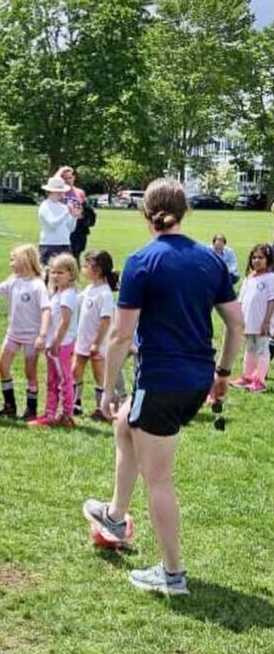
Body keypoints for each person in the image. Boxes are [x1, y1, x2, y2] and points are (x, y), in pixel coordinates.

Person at [82, 179, 242, 596]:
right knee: (125, 426)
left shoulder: (141, 261)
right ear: (185, 211)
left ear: (145, 213)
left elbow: (119, 336)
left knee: (159, 479)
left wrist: (105, 389)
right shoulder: (212, 260)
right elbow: (236, 324)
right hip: (196, 378)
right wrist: (223, 375)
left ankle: (172, 575)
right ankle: (115, 516)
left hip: (163, 381)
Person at [0, 244, 50, 420]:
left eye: (14, 258)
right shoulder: (13, 281)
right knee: (2, 366)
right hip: (13, 333)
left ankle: (31, 409)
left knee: (30, 372)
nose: (11, 262)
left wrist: (42, 335)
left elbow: (46, 309)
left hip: (31, 336)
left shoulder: (37, 285)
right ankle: (9, 406)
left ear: (25, 260)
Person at [29, 253, 79, 428]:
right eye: (53, 272)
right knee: (52, 380)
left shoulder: (68, 295)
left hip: (62, 344)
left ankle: (66, 414)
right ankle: (50, 413)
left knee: (64, 379)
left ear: (71, 274)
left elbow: (65, 321)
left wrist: (56, 342)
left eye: (60, 272)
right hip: (54, 343)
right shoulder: (57, 293)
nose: (55, 276)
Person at [72, 250, 120, 419]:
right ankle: (75, 403)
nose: (83, 269)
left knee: (99, 374)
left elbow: (106, 321)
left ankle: (102, 407)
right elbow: (76, 300)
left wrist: (97, 343)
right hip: (83, 340)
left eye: (86, 266)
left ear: (97, 270)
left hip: (97, 343)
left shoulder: (104, 294)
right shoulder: (90, 288)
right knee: (75, 370)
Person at [230, 243, 274, 392]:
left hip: (262, 322)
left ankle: (259, 380)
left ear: (268, 260)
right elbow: (241, 301)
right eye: (254, 257)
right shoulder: (249, 279)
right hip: (249, 321)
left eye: (261, 257)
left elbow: (271, 300)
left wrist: (267, 321)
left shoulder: (270, 278)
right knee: (250, 349)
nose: (257, 260)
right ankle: (247, 377)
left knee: (262, 350)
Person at [38, 174, 81, 265]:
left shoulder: (63, 207)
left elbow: (71, 228)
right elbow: (52, 224)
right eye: (59, 192)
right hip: (49, 244)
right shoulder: (45, 206)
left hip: (65, 243)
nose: (62, 194)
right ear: (51, 192)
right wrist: (66, 212)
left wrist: (74, 217)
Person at [57, 166, 94, 264]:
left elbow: (86, 210)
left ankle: (74, 278)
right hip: (63, 228)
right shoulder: (58, 192)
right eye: (65, 178)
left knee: (75, 256)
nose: (68, 180)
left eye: (70, 178)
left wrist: (82, 215)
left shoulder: (80, 192)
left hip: (77, 230)